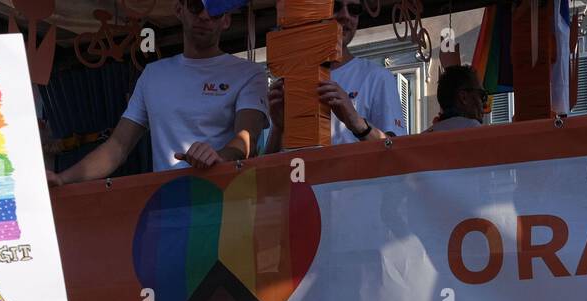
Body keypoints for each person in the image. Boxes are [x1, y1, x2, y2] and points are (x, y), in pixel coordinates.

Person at [49, 0, 267, 181]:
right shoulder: (153, 75)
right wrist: (62, 178)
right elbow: (117, 147)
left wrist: (219, 157)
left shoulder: (250, 73)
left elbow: (246, 140)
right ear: (179, 10)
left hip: (226, 206)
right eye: (195, 6)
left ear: (226, 19)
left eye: (215, 11)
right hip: (165, 208)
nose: (204, 16)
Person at [263, 0, 406, 153]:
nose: (345, 16)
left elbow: (397, 152)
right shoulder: (290, 79)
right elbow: (268, 169)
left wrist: (356, 123)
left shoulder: (377, 76)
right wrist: (279, 128)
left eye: (354, 9)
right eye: (335, 6)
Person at [428, 65, 486, 132]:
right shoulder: (475, 129)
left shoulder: (423, 137)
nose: (485, 104)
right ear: (464, 97)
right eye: (482, 95)